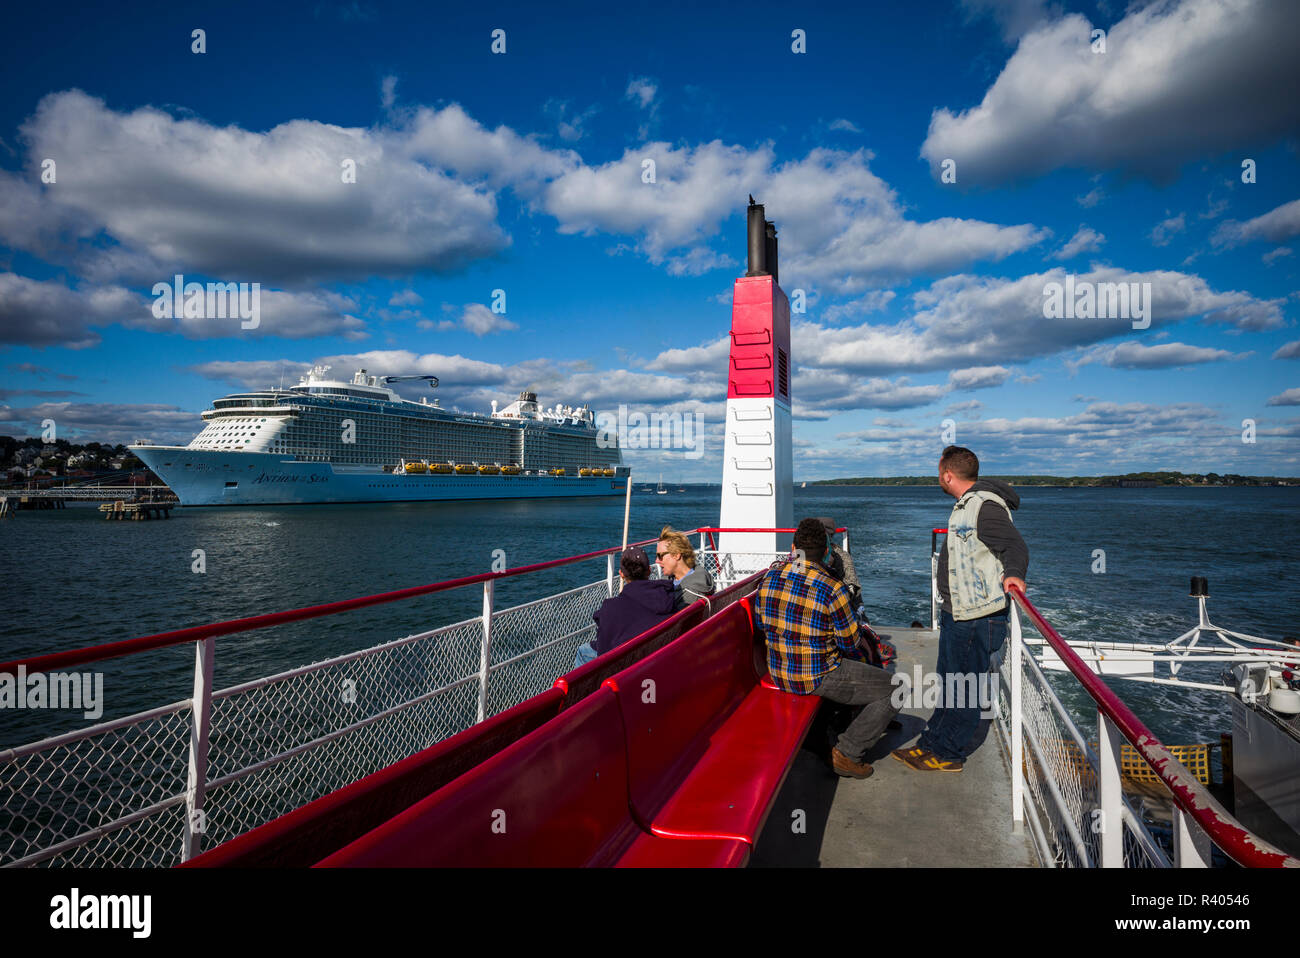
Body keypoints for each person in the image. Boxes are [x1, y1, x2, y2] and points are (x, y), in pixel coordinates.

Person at [893, 445, 1028, 773]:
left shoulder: (984, 507)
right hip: (960, 612)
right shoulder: (968, 505)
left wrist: (1013, 574)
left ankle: (948, 754)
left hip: (977, 616)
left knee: (964, 686)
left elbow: (1014, 546)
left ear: (947, 474)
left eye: (938, 471)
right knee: (950, 681)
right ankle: (932, 743)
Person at [753, 517, 900, 779]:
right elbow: (850, 643)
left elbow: (762, 623)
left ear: (793, 547)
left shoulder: (770, 577)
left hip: (777, 670)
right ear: (826, 551)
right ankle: (848, 752)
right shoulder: (833, 588)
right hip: (816, 675)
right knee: (895, 689)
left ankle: (822, 734)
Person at [573, 545, 677, 667]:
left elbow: (604, 649)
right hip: (657, 660)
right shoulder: (668, 596)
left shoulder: (611, 608)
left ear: (621, 574)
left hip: (626, 670)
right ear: (649, 570)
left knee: (584, 651)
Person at [656, 526, 715, 611]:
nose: (657, 561)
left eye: (660, 556)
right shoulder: (670, 581)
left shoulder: (691, 595)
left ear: (676, 555)